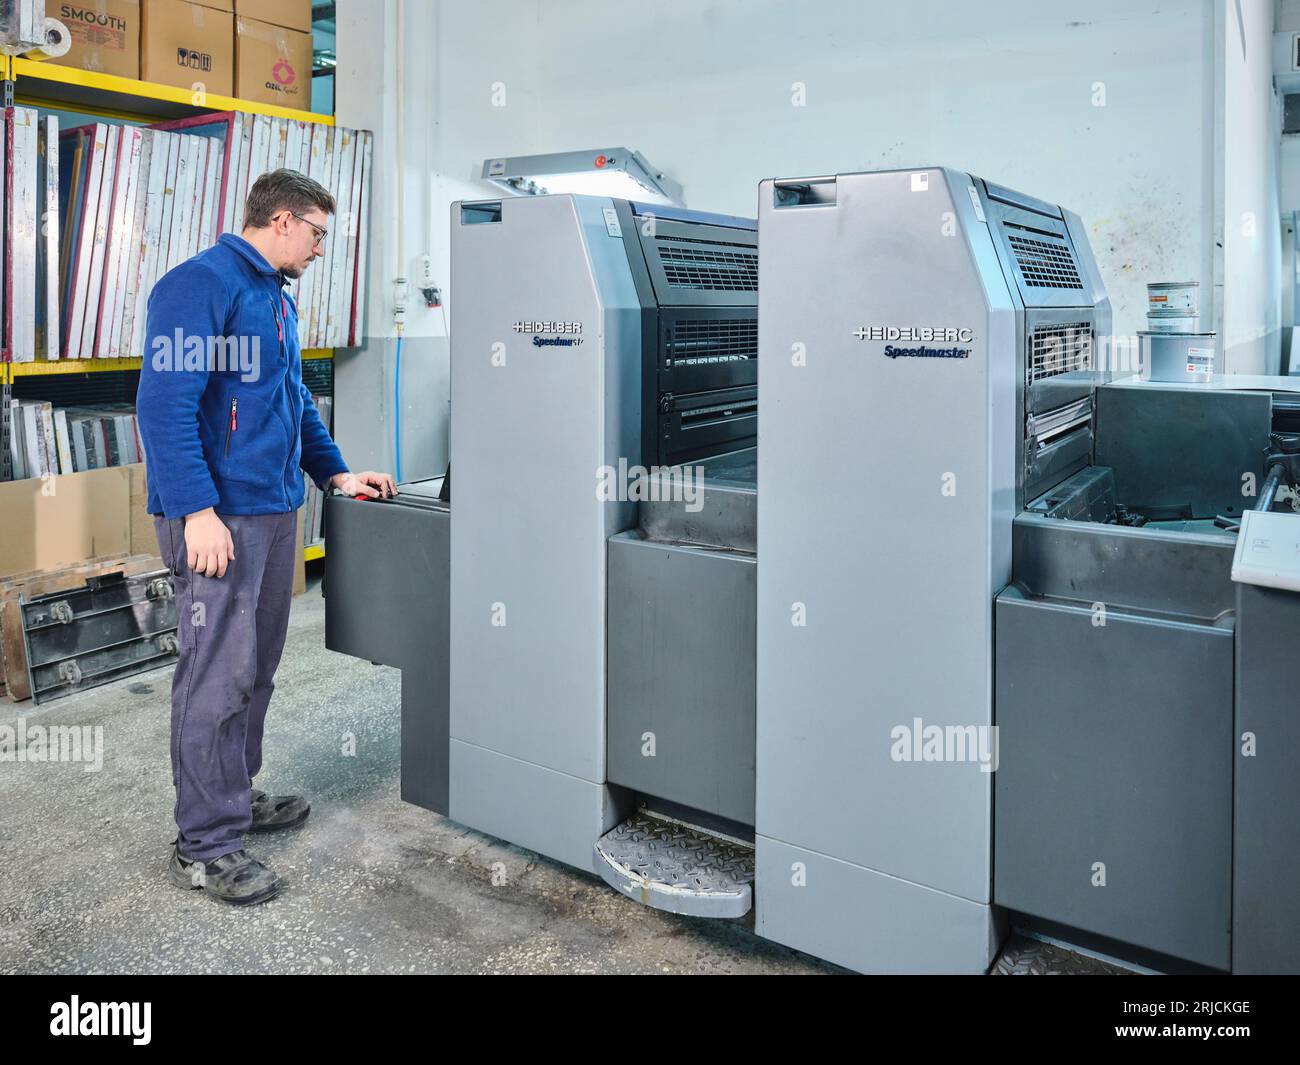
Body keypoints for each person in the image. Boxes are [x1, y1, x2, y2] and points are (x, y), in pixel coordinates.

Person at [136, 168, 396, 906]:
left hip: (273, 513)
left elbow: (292, 403)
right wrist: (194, 512)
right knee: (214, 673)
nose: (319, 248)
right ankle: (206, 844)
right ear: (280, 221)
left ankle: (233, 795)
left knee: (255, 670)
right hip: (220, 518)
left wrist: (335, 474)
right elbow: (163, 404)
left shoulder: (272, 298)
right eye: (316, 233)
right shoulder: (198, 285)